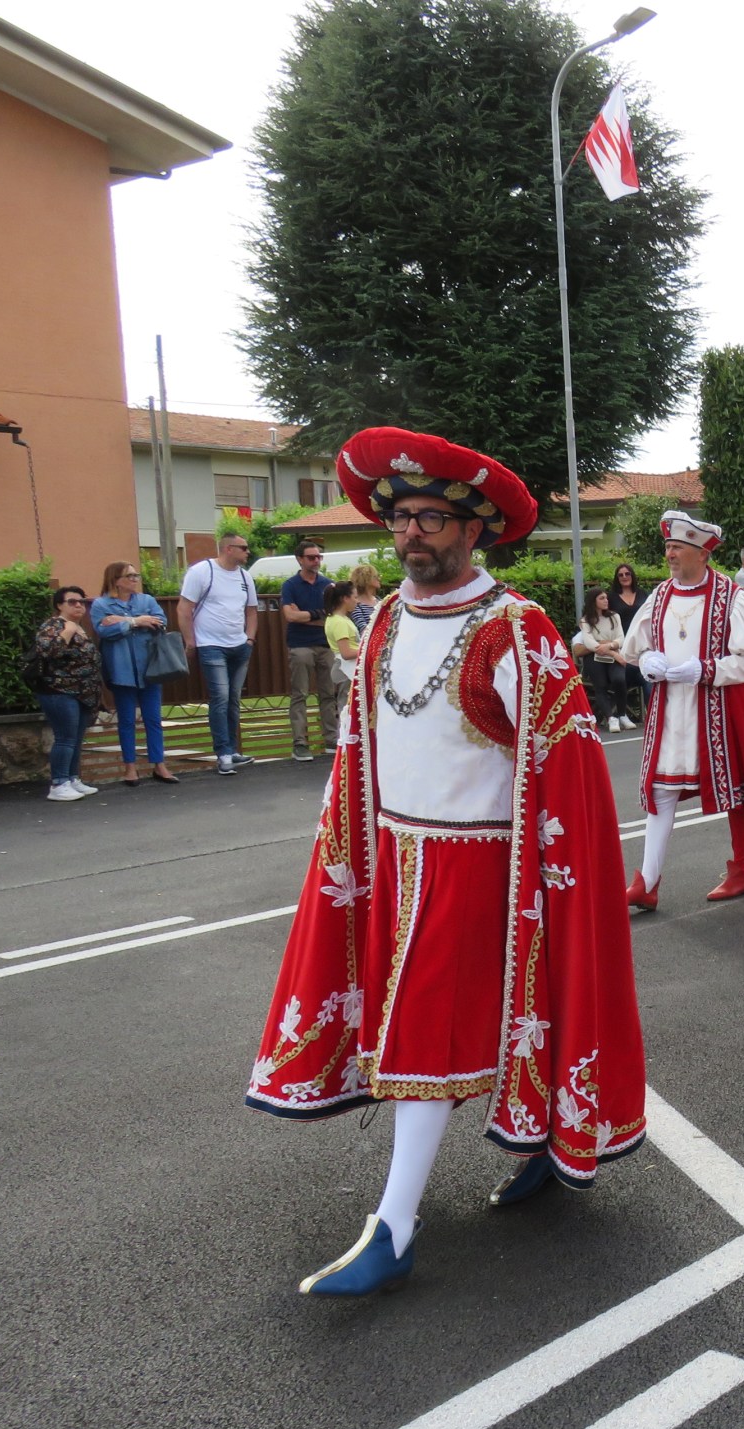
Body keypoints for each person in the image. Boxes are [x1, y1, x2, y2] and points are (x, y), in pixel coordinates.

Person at [248, 426, 645, 1297]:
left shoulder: (519, 630)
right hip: (395, 859)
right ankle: (536, 1144)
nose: (411, 533)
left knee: (426, 1035)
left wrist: (562, 883)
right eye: (401, 518)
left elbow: (568, 771)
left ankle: (393, 1227)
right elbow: (360, 743)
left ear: (474, 529)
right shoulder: (386, 614)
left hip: (484, 872)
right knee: (439, 1027)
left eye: (432, 518)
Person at [620, 511, 744, 909]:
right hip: (670, 710)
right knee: (660, 789)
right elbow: (633, 648)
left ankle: (741, 869)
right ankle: (647, 881)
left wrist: (709, 669)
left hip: (719, 706)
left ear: (701, 553)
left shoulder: (732, 598)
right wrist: (647, 662)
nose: (670, 555)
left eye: (677, 548)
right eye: (668, 548)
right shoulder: (659, 596)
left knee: (733, 789)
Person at [178, 528, 259, 775]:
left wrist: (249, 639)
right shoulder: (203, 571)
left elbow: (252, 610)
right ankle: (222, 753)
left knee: (233, 699)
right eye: (243, 548)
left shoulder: (245, 577)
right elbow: (184, 608)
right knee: (221, 698)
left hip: (239, 645)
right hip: (210, 644)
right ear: (228, 549)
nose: (247, 552)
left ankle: (232, 750)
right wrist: (191, 641)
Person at [90, 561, 178, 785]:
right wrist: (135, 621)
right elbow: (103, 631)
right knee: (127, 721)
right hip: (122, 670)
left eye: (135, 575)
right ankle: (130, 768)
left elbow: (160, 622)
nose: (135, 579)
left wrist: (121, 621)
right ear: (115, 580)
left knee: (153, 719)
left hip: (150, 668)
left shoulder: (146, 600)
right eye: (129, 576)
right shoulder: (101, 604)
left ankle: (159, 765)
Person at [27, 586, 102, 802]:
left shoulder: (79, 627)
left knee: (76, 738)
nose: (79, 605)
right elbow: (48, 652)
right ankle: (59, 783)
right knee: (65, 738)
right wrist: (68, 631)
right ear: (59, 605)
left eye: (82, 601)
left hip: (81, 693)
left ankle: (72, 778)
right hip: (58, 691)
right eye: (72, 601)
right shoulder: (54, 625)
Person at [280, 538, 339, 760]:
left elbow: (333, 616)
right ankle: (300, 744)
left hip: (326, 645)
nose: (316, 561)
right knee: (299, 695)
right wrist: (318, 614)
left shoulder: (329, 585)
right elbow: (290, 616)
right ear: (300, 559)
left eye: (319, 557)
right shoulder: (290, 585)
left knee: (328, 694)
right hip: (300, 645)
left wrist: (306, 615)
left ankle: (331, 739)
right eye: (312, 557)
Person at [572, 589, 635, 731]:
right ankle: (610, 718)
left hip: (611, 653)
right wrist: (613, 653)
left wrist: (608, 645)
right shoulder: (586, 620)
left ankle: (622, 714)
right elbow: (589, 644)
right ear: (594, 601)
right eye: (602, 598)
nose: (606, 600)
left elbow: (620, 638)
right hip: (595, 657)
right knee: (600, 685)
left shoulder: (614, 617)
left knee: (619, 679)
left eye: (606, 597)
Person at [321, 582, 359, 684]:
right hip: (347, 669)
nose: (357, 601)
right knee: (346, 700)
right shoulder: (339, 622)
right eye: (355, 597)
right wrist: (369, 651)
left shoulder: (340, 619)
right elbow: (346, 653)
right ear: (345, 598)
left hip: (351, 667)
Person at [608, 562, 645, 634]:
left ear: (632, 576)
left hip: (641, 636)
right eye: (620, 575)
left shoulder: (642, 593)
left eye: (627, 574)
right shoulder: (611, 597)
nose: (624, 577)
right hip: (621, 638)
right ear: (617, 578)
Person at [348, 562, 383, 633]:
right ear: (366, 579)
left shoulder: (379, 600)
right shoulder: (356, 604)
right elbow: (363, 628)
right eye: (376, 576)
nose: (379, 578)